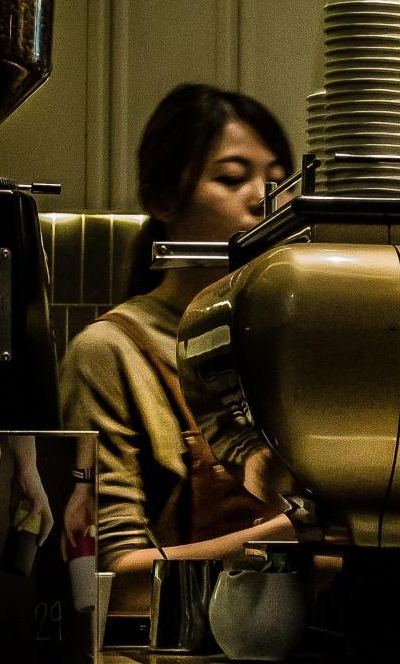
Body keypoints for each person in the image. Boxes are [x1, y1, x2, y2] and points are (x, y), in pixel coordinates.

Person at [59, 83, 296, 613]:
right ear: (163, 200)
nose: (263, 197)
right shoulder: (111, 353)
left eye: (280, 182)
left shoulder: (293, 350)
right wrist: (291, 538)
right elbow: (110, 578)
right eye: (231, 178)